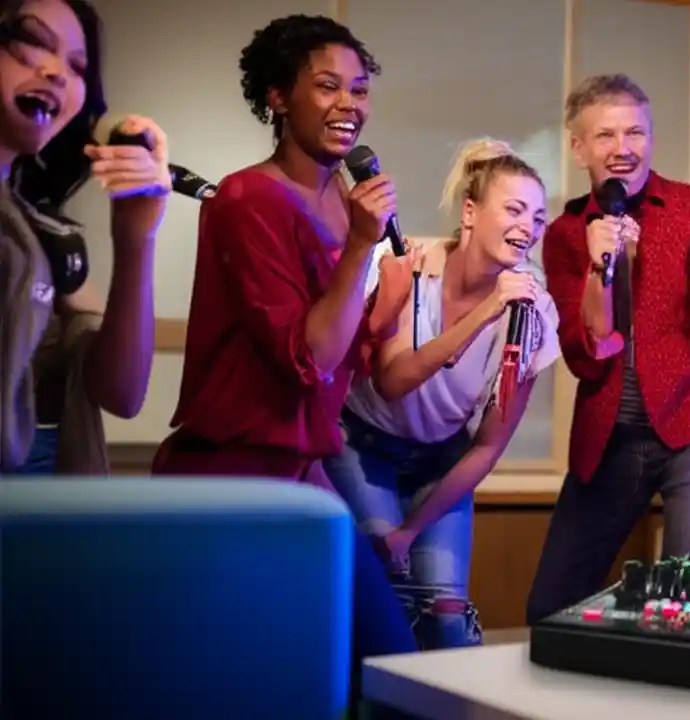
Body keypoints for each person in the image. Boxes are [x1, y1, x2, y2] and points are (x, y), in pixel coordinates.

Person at [148, 12, 417, 689]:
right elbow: (308, 357)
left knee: (388, 664)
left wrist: (391, 296)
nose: (349, 104)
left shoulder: (344, 205)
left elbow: (347, 363)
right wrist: (360, 247)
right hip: (229, 481)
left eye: (359, 89)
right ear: (277, 96)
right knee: (240, 685)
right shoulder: (245, 200)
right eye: (328, 85)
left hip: (306, 473)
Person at [527, 74, 690, 623]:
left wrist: (666, 395)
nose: (622, 149)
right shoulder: (563, 234)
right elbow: (583, 356)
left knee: (685, 606)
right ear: (579, 147)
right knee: (549, 605)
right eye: (605, 136)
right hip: (611, 437)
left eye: (636, 133)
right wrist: (601, 269)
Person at [324, 138, 560, 648]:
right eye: (515, 210)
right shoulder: (411, 265)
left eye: (538, 218)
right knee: (386, 608)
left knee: (447, 621)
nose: (528, 227)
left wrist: (412, 531)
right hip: (364, 445)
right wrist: (483, 315)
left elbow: (488, 445)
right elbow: (391, 382)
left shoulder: (531, 310)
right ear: (471, 212)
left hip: (442, 461)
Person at [1, 0, 167, 475]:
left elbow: (121, 392)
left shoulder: (38, 232)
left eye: (77, 66)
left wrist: (137, 237)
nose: (57, 73)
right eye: (32, 42)